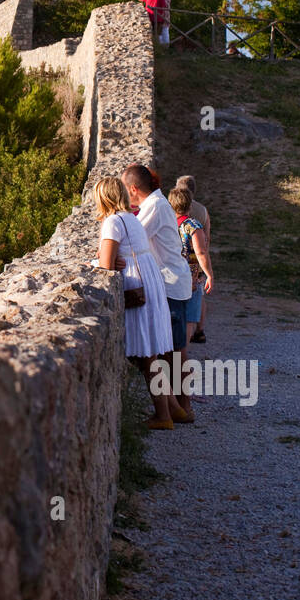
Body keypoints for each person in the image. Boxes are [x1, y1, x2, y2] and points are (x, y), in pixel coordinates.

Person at [94, 176, 191, 430]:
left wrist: (104, 262)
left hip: (135, 286)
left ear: (103, 198)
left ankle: (163, 416)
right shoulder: (131, 219)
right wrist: (114, 259)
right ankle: (174, 408)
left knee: (146, 356)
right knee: (148, 354)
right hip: (150, 280)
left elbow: (104, 265)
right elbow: (117, 255)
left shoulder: (112, 222)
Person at [121, 162, 195, 417]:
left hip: (170, 283)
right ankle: (176, 407)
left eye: (124, 189)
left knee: (174, 351)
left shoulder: (153, 207)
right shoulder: (157, 203)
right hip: (175, 280)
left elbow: (132, 238)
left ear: (133, 189)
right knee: (171, 349)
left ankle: (184, 406)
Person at [168, 188, 214, 358]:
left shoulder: (168, 224)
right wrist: (209, 274)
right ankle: (182, 353)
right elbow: (201, 253)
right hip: (190, 278)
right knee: (189, 318)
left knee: (173, 315)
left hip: (170, 275)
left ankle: (169, 352)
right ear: (190, 203)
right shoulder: (193, 226)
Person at [175, 174, 211, 342]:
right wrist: (207, 270)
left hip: (174, 265)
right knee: (197, 298)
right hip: (194, 265)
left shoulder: (170, 212)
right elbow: (206, 239)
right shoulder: (202, 211)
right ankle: (200, 330)